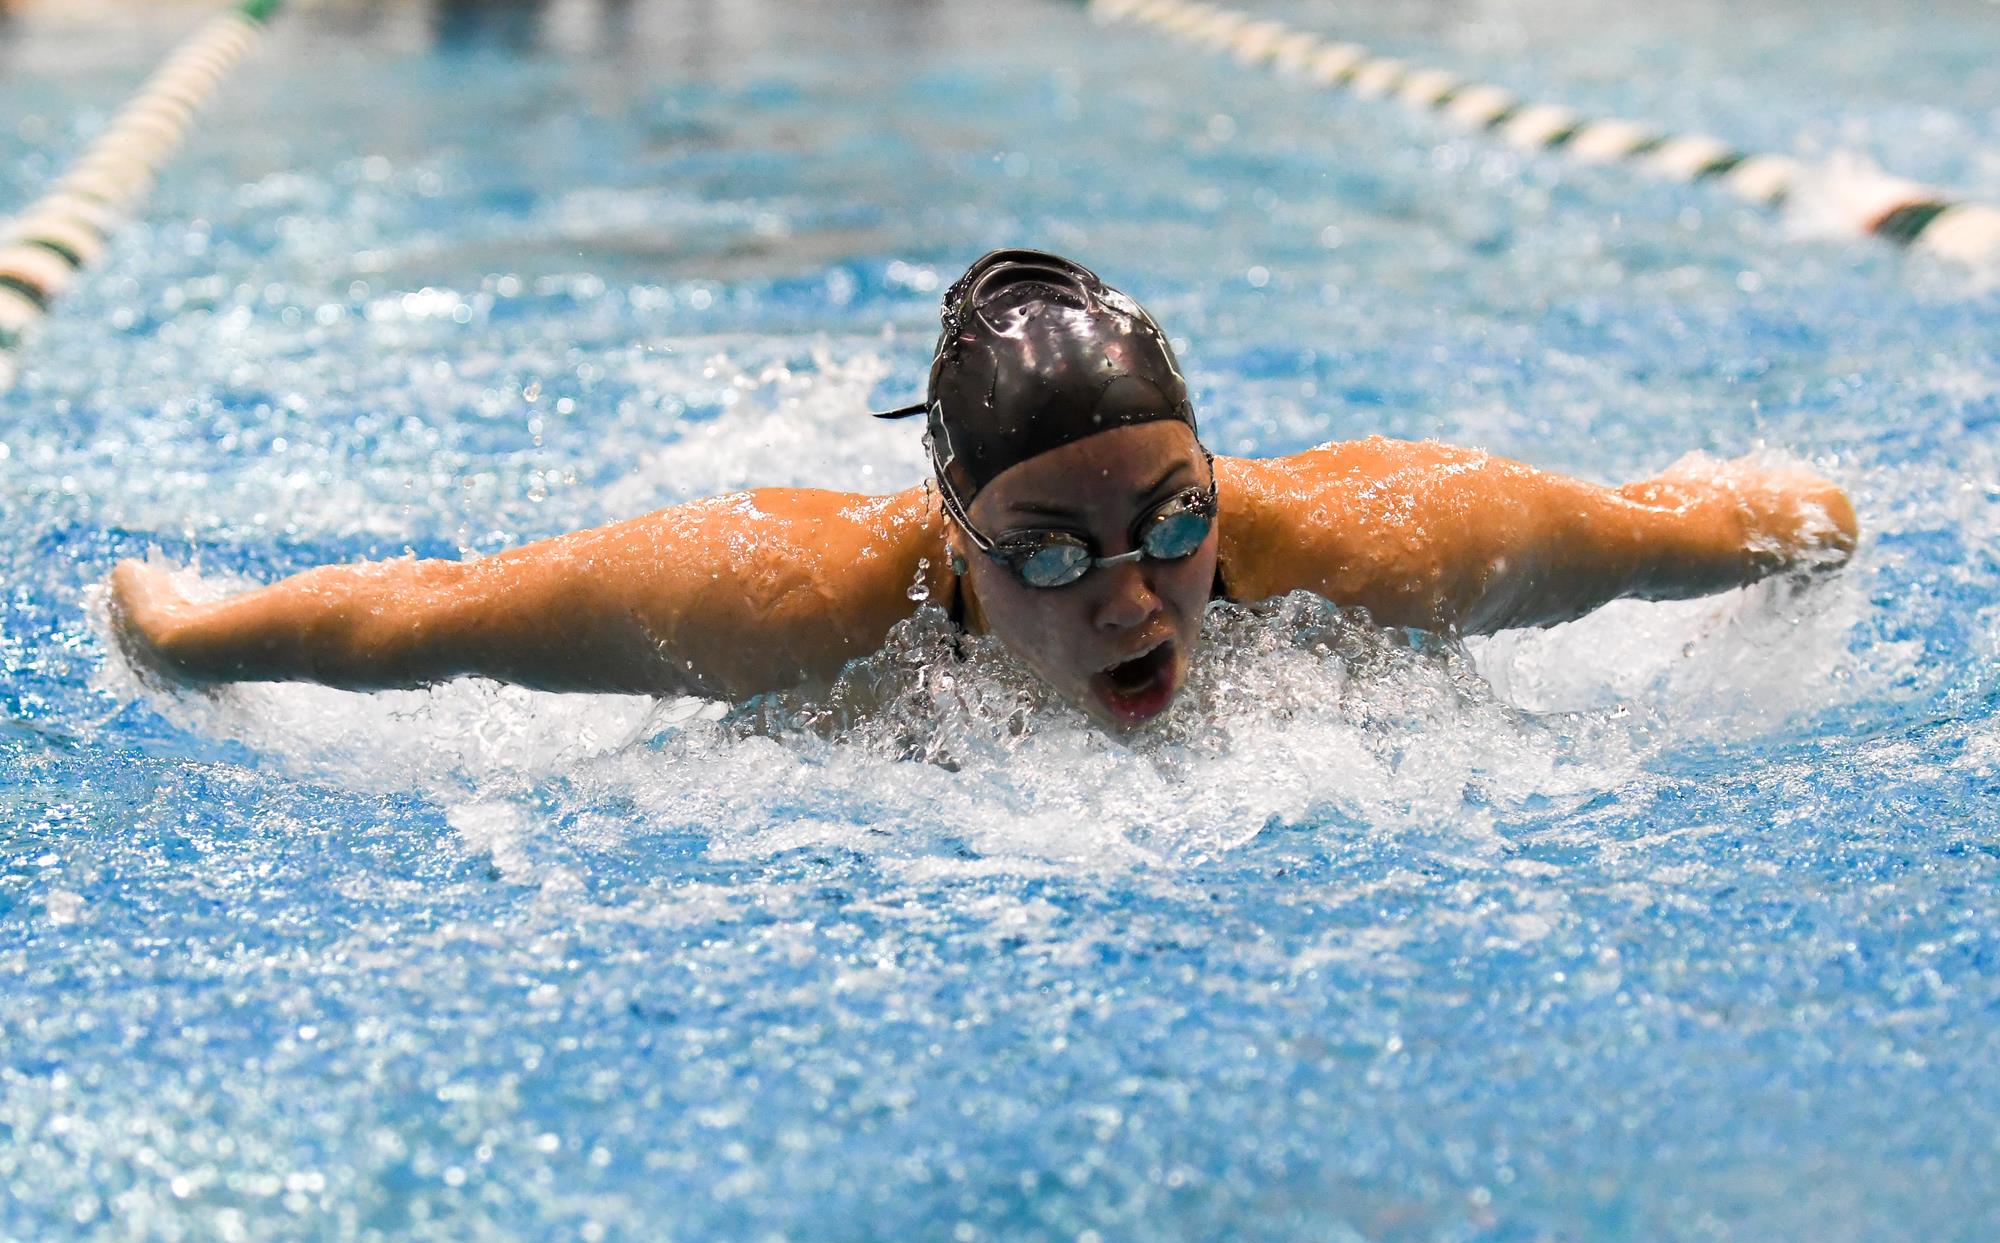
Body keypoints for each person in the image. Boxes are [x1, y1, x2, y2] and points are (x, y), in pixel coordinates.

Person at [109, 249, 1857, 732]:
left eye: (1178, 518)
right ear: (957, 543)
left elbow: (1678, 525)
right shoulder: (788, 599)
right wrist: (190, 635)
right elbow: (434, 615)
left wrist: (1805, 524)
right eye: (1051, 548)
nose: (1133, 591)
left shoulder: (1383, 545)